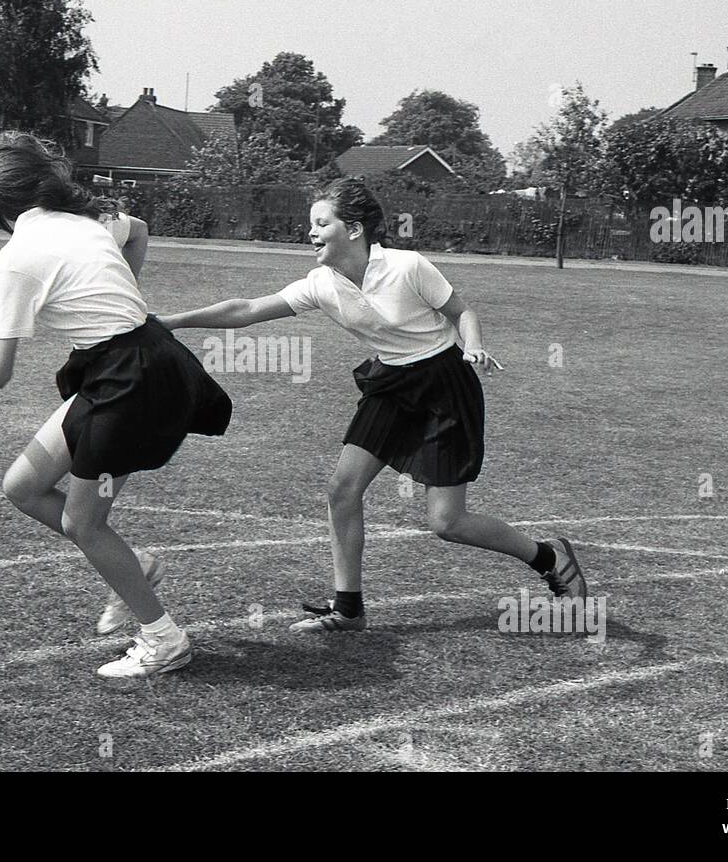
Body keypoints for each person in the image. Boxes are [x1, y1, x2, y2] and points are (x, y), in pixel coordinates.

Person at [158, 178, 586, 632]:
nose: (311, 233)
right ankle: (348, 608)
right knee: (342, 490)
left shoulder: (407, 267)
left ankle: (547, 555)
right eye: (311, 225)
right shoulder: (321, 284)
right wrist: (170, 322)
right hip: (390, 387)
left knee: (447, 522)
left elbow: (462, 312)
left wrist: (474, 345)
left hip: (444, 385)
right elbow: (244, 309)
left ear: (355, 229)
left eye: (322, 223)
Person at [0, 131, 231, 676]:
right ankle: (136, 565)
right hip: (133, 364)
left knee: (84, 523)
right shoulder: (91, 221)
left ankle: (164, 640)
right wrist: (125, 292)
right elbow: (139, 231)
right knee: (23, 487)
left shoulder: (16, 258)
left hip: (132, 379)